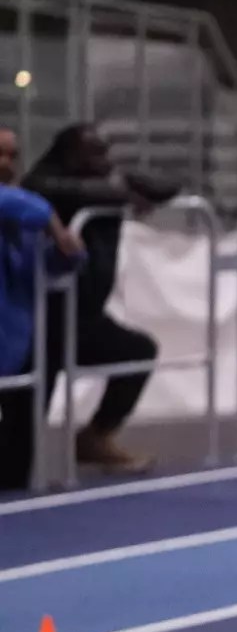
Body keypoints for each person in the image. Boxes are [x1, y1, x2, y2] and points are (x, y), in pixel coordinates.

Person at [22, 123, 176, 474]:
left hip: (84, 316)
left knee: (137, 351)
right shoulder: (44, 181)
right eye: (93, 153)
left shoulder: (106, 182)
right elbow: (42, 190)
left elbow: (167, 186)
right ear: (69, 155)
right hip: (41, 321)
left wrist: (123, 183)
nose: (102, 160)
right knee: (26, 421)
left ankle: (95, 437)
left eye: (104, 152)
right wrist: (122, 192)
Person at [0, 126, 84, 492]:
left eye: (12, 155)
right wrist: (51, 219)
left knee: (16, 462)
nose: (6, 163)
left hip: (15, 339)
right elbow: (22, 205)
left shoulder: (22, 219)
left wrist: (68, 254)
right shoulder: (26, 209)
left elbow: (40, 269)